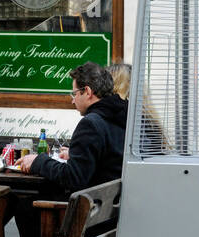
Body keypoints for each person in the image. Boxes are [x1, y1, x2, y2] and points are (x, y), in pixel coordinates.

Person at [17, 60, 126, 205]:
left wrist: (38, 161)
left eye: (74, 94)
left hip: (87, 213)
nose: (72, 101)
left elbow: (73, 177)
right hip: (112, 208)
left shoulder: (91, 123)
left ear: (87, 91)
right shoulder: (122, 115)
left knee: (22, 201)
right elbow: (109, 156)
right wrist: (76, 153)